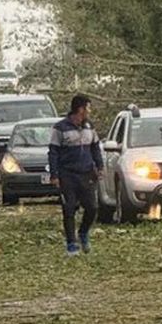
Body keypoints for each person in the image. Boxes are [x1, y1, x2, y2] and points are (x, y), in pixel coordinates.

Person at [48, 95, 104, 256]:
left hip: (87, 173)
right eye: (88, 108)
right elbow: (53, 152)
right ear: (80, 109)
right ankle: (71, 243)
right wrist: (54, 174)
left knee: (92, 207)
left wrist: (99, 166)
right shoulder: (60, 128)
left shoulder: (89, 126)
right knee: (69, 208)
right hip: (68, 174)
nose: (90, 111)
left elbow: (95, 147)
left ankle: (83, 232)